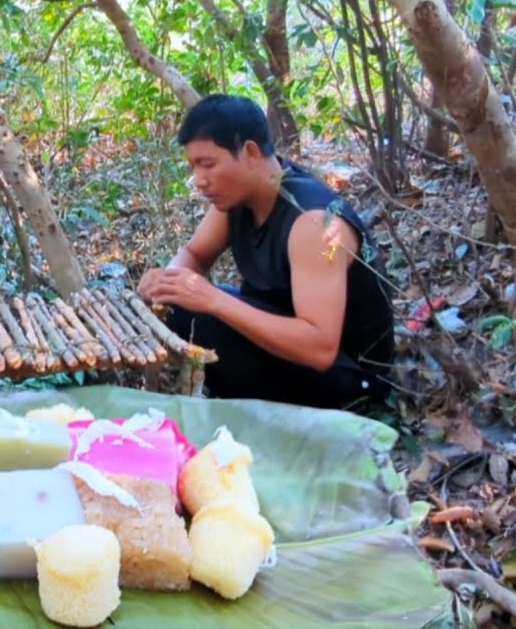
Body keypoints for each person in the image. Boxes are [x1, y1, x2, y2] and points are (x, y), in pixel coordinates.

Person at [137, 94, 395, 409]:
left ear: (250, 152)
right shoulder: (236, 197)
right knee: (182, 306)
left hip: (348, 378)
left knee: (207, 313)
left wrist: (213, 300)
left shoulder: (314, 224)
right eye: (193, 167)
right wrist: (167, 282)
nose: (199, 181)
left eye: (208, 165)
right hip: (284, 339)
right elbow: (195, 254)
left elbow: (320, 349)